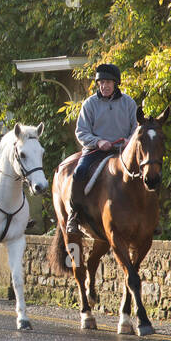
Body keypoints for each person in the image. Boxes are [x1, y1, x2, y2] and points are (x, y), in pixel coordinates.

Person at [66, 63, 139, 234]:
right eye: (101, 82)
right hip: (96, 151)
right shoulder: (89, 104)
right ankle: (74, 216)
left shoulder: (128, 103)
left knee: (148, 172)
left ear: (115, 84)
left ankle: (151, 215)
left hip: (123, 151)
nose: (104, 86)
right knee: (79, 172)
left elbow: (137, 127)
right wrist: (98, 142)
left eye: (108, 82)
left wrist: (130, 140)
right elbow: (81, 132)